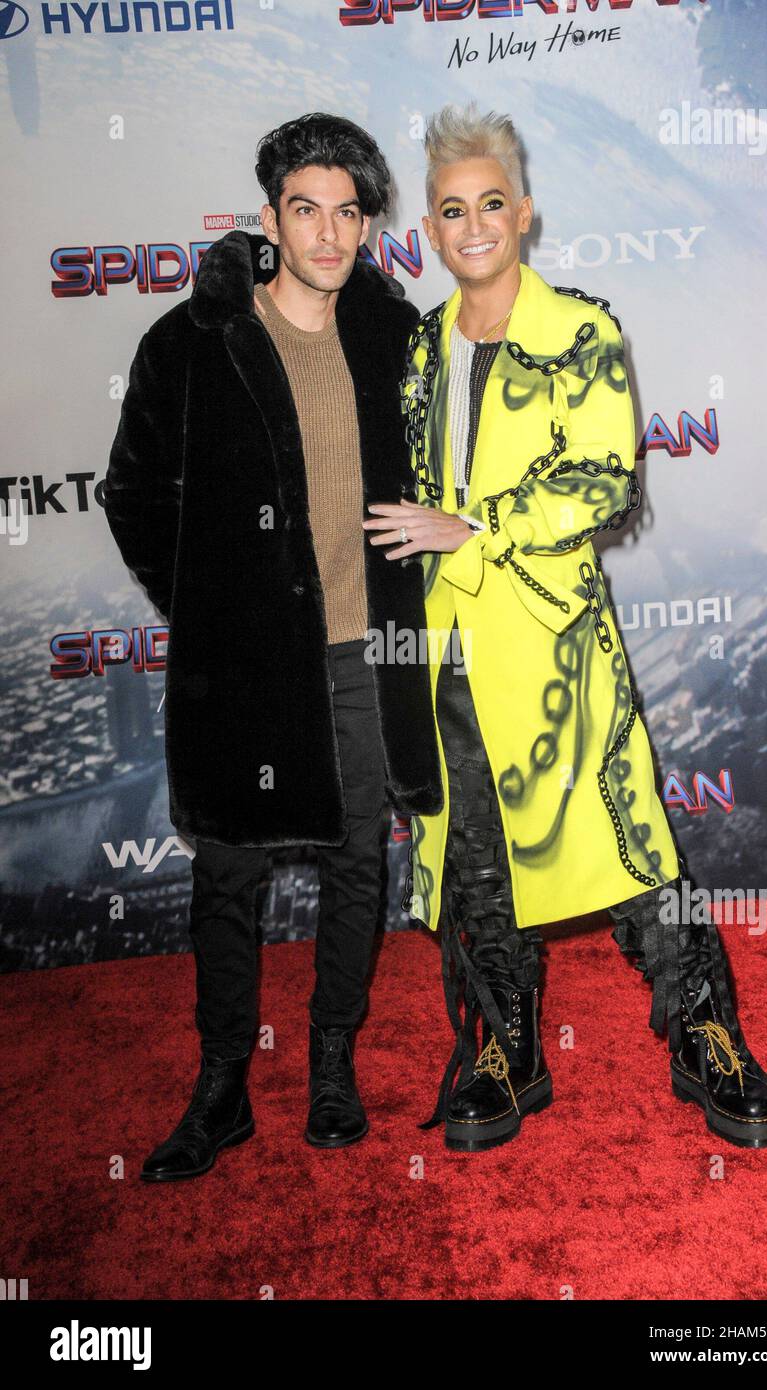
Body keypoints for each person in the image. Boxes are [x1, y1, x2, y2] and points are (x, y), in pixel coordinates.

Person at [363, 103, 767, 1153]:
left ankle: (705, 1034)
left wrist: (479, 525)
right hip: (450, 645)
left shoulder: (581, 331)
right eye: (450, 208)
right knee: (480, 857)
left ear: (525, 210)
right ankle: (507, 1048)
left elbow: (601, 480)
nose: (470, 225)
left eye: (489, 203)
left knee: (630, 841)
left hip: (554, 645)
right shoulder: (418, 350)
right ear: (431, 224)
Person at [103, 113, 442, 1180]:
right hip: (249, 666)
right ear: (270, 219)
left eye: (349, 213)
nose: (330, 235)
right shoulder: (192, 344)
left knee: (355, 864)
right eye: (308, 210)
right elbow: (131, 493)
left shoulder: (393, 339)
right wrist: (210, 609)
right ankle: (222, 1087)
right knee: (230, 877)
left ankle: (330, 1060)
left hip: (360, 653)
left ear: (365, 225)